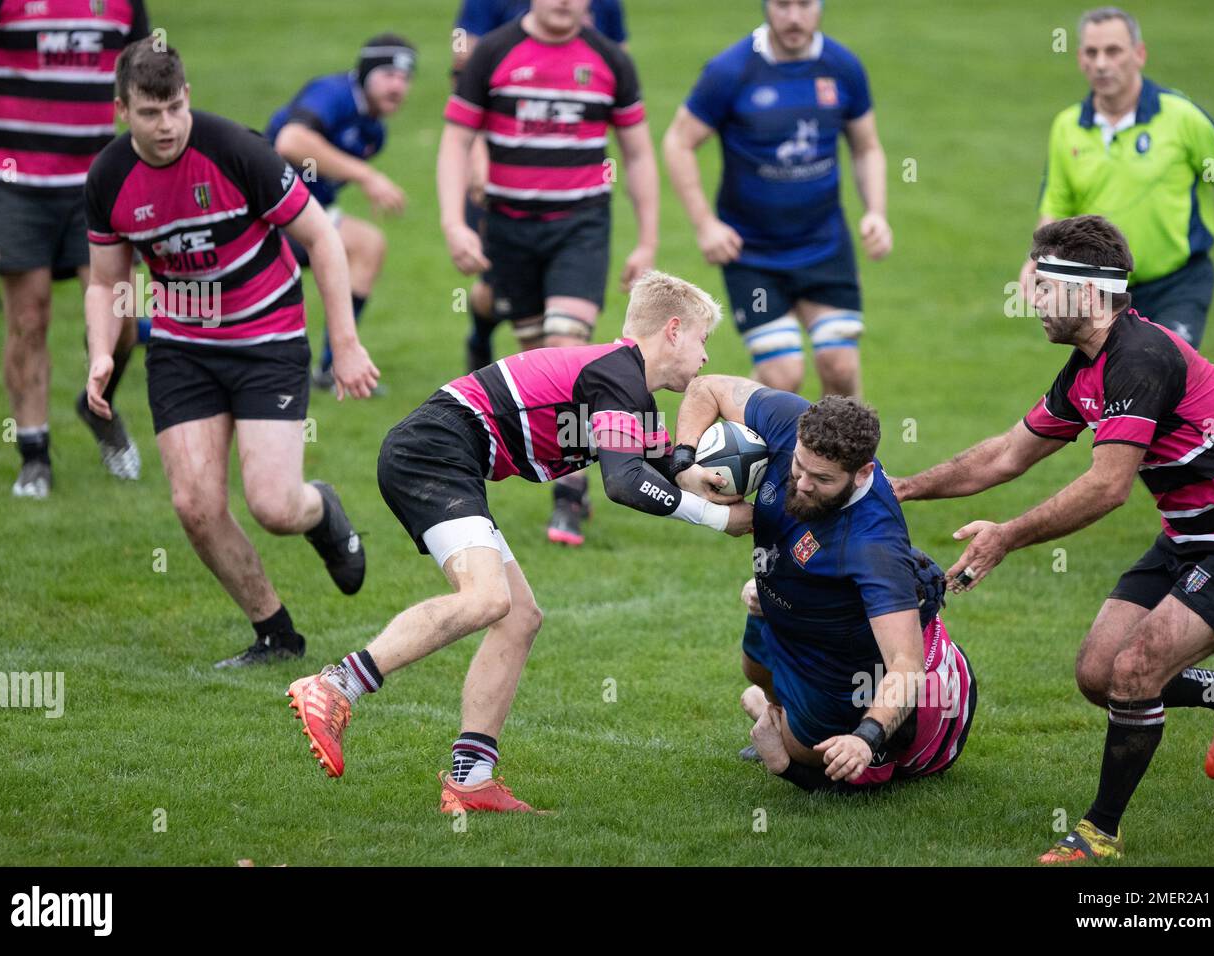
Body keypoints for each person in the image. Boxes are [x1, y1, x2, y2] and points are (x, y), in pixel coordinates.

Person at [285, 271, 752, 813]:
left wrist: (752, 501)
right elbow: (625, 483)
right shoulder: (616, 375)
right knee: (487, 598)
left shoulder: (631, 392)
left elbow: (665, 472)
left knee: (519, 617)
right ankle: (337, 685)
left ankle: (471, 779)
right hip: (432, 451)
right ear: (673, 330)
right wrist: (720, 521)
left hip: (450, 456)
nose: (704, 356)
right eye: (702, 340)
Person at [892, 216, 1214, 860]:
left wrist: (1006, 535)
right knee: (1098, 675)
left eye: (1044, 286)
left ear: (1088, 294)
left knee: (1137, 669)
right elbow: (1006, 455)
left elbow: (1107, 487)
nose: (1031, 299)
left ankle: (1100, 831)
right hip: (1189, 536)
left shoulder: (1140, 359)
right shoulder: (1084, 365)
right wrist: (904, 487)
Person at [83, 41, 381, 669]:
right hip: (182, 350)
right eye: (148, 112)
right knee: (194, 504)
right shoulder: (110, 177)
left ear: (187, 96)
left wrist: (346, 343)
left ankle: (320, 507)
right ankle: (275, 633)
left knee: (274, 506)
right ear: (121, 111)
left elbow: (323, 239)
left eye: (174, 107)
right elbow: (107, 281)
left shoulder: (235, 150)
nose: (165, 125)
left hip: (266, 340)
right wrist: (101, 354)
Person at [673, 376, 976, 792]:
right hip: (783, 603)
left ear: (862, 473)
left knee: (807, 750)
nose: (801, 483)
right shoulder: (790, 422)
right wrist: (685, 463)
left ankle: (791, 728)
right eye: (798, 465)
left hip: (839, 659)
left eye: (822, 479)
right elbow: (705, 387)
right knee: (753, 666)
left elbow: (906, 665)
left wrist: (863, 738)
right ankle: (774, 711)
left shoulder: (874, 545)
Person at [438, 0, 659, 548]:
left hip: (580, 225)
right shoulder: (493, 51)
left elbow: (636, 153)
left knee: (567, 342)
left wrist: (648, 237)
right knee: (540, 356)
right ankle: (569, 469)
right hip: (509, 230)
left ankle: (570, 494)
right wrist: (453, 222)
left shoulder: (610, 60)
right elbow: (456, 140)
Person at [0, 0, 151, 497]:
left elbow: (145, 77)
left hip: (97, 182)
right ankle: (34, 455)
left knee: (124, 317)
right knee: (28, 317)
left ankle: (97, 407)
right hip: (13, 180)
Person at [662, 0, 891, 400]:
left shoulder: (843, 67)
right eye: (783, 5)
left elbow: (866, 147)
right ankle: (767, 458)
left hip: (824, 246)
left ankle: (854, 462)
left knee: (840, 366)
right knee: (782, 375)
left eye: (804, 5)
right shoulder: (730, 71)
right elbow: (678, 142)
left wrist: (876, 212)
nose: (794, 17)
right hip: (753, 255)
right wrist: (705, 224)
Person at [1021, 6, 1214, 350]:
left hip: (1178, 285)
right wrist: (1035, 265)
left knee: (1160, 371)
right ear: (1080, 59)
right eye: (1092, 52)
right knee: (1114, 391)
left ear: (1139, 54)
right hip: (1101, 289)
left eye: (1113, 51)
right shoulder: (1067, 127)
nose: (1102, 63)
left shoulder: (1180, 118)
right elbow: (1056, 208)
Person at [448, 0, 629, 374]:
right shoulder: (494, 33)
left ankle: (569, 427)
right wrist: (478, 157)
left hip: (577, 207)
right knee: (488, 294)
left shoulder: (606, 11)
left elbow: (618, 79)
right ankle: (481, 336)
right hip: (502, 189)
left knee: (559, 345)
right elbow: (464, 65)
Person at [266, 33, 414, 392]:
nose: (398, 86)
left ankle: (333, 369)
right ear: (365, 73)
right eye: (388, 75)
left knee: (368, 244)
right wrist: (366, 175)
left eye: (406, 78)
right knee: (208, 312)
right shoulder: (332, 92)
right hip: (260, 212)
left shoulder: (374, 131)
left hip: (300, 214)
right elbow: (291, 141)